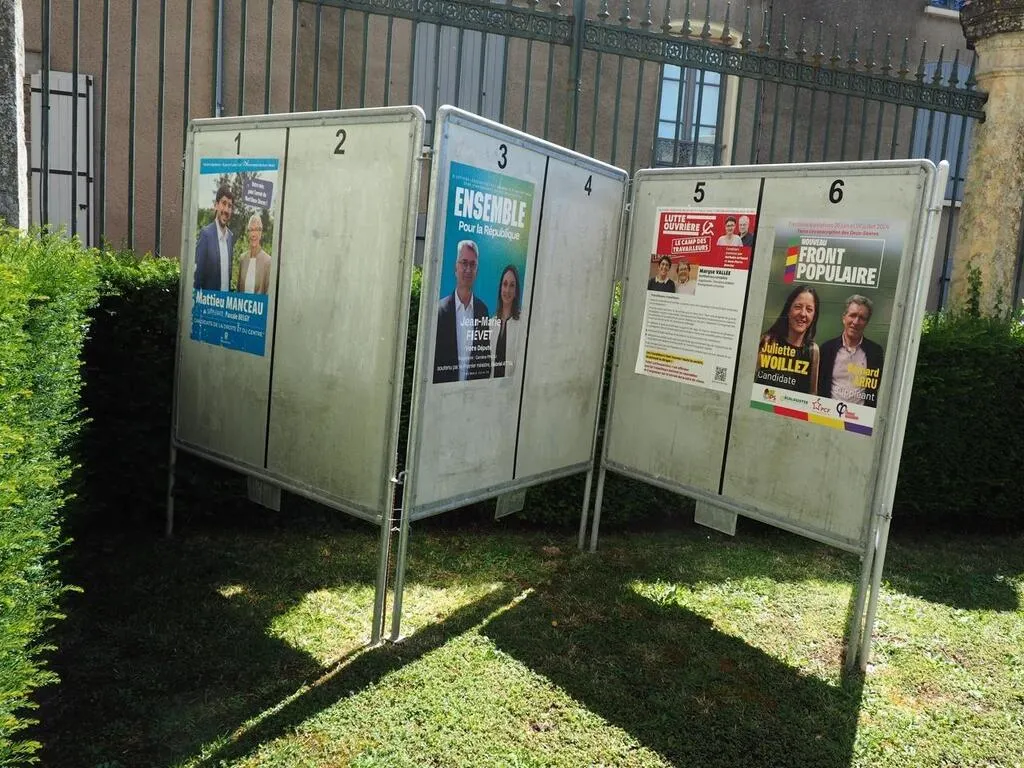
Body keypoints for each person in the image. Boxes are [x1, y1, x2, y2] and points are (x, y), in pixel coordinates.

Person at [433, 240, 492, 383]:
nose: (468, 269)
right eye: (464, 263)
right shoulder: (439, 310)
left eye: (473, 264)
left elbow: (486, 359)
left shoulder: (482, 310)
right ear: (455, 267)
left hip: (472, 396)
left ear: (477, 270)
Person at [817, 295, 885, 407]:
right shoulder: (827, 349)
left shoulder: (875, 352)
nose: (856, 322)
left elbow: (876, 388)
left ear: (867, 323)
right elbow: (819, 385)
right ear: (844, 318)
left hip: (860, 419)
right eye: (852, 315)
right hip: (827, 415)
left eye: (862, 318)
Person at [754, 284, 820, 394]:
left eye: (809, 310)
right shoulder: (768, 341)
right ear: (788, 310)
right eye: (798, 307)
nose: (803, 314)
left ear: (814, 316)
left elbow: (812, 394)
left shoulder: (813, 351)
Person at [194, 185, 235, 291]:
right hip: (209, 305)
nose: (226, 210)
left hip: (225, 304)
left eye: (230, 206)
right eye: (224, 203)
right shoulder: (205, 234)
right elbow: (197, 278)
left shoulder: (230, 237)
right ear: (216, 205)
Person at [489, 265, 523, 378]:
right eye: (505, 284)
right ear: (500, 288)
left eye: (512, 285)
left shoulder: (522, 323)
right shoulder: (490, 324)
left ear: (516, 290)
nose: (507, 290)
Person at [237, 212, 272, 294]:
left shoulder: (268, 261)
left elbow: (268, 294)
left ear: (261, 233)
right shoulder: (242, 258)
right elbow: (238, 290)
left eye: (257, 229)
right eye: (251, 230)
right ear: (248, 233)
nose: (253, 234)